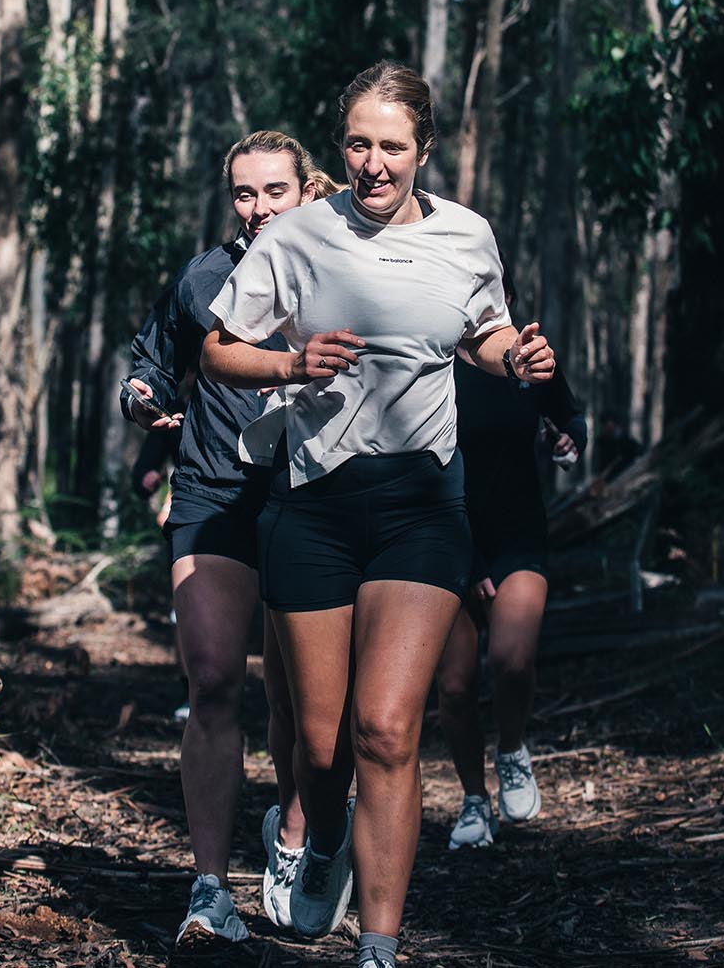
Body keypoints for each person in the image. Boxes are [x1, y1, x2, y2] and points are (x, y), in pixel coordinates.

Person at [200, 61, 555, 968]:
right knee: (320, 748)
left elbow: (480, 330)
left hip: (423, 501)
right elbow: (217, 348)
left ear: (424, 149)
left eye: (392, 145)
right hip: (314, 506)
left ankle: (381, 948)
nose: (372, 161)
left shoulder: (469, 236)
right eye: (358, 141)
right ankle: (319, 834)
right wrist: (290, 365)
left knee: (387, 728)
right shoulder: (300, 236)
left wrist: (517, 356)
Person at [121, 131, 334, 946]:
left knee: (299, 703)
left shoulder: (337, 268)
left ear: (303, 188)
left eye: (273, 191)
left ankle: (293, 833)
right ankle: (208, 888)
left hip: (309, 499)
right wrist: (141, 399)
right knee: (212, 680)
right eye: (243, 194)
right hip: (212, 494)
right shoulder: (205, 278)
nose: (258, 208)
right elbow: (149, 365)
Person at [436, 270, 587, 849]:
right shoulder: (435, 366)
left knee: (512, 661)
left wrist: (567, 440)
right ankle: (474, 800)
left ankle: (513, 750)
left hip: (518, 533)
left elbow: (567, 415)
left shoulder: (527, 360)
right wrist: (468, 560)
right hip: (448, 537)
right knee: (453, 686)